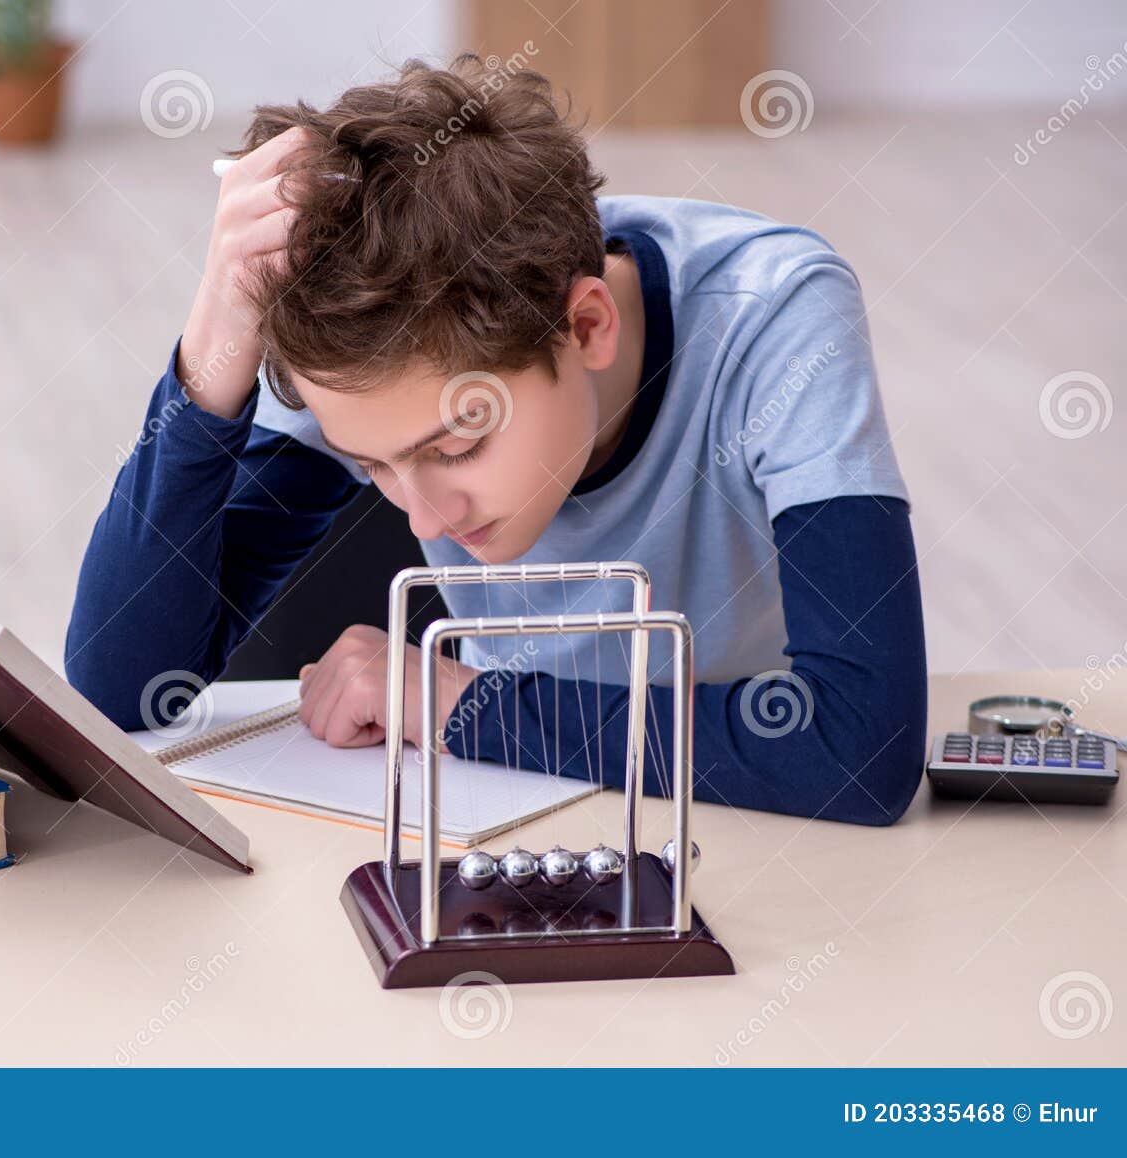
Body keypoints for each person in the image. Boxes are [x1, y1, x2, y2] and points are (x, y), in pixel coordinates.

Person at [65, 56, 927, 825]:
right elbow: (121, 689)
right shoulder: (359, 355)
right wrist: (214, 343)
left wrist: (459, 706)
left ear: (586, 325)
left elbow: (858, 751)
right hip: (505, 808)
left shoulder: (774, 315)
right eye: (375, 467)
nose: (427, 523)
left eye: (457, 447)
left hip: (745, 822)